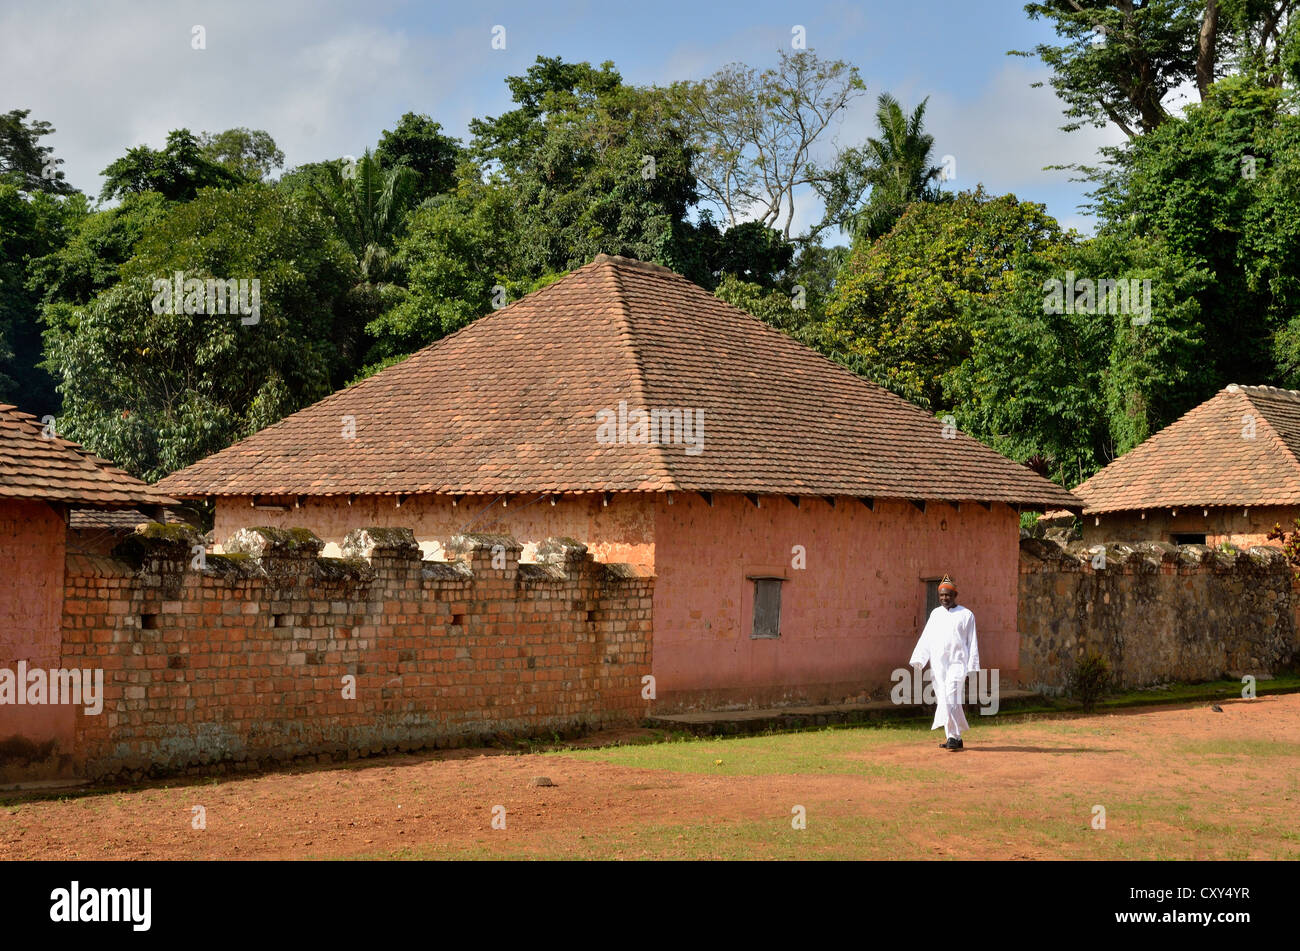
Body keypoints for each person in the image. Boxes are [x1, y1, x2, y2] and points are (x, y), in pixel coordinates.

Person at [909, 575, 979, 750]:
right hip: (939, 665)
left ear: (955, 595)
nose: (944, 598)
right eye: (941, 596)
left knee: (950, 696)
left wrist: (972, 666)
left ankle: (954, 737)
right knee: (944, 699)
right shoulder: (935, 614)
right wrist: (919, 658)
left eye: (948, 595)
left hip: (958, 664)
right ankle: (953, 737)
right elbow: (927, 638)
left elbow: (973, 642)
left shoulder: (967, 615)